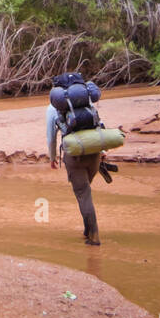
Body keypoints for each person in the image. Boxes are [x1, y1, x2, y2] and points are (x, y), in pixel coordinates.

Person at [47, 76, 101, 246]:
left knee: (83, 194)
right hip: (94, 151)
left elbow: (51, 136)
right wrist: (103, 150)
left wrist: (53, 157)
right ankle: (87, 229)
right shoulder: (86, 101)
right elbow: (98, 123)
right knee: (85, 191)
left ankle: (94, 236)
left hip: (74, 154)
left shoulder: (52, 107)